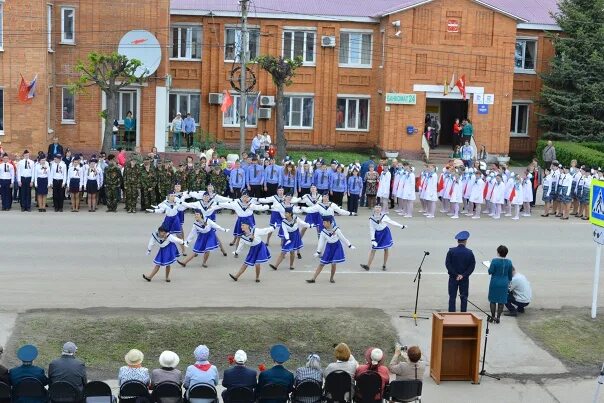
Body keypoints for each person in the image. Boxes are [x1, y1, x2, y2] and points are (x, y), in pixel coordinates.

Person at [306, 217, 355, 284]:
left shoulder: (336, 229)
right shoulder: (323, 232)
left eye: (324, 222)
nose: (323, 224)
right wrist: (318, 251)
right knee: (322, 263)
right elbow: (321, 242)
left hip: (337, 247)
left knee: (333, 263)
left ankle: (331, 278)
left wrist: (349, 245)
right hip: (329, 247)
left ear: (329, 222)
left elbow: (342, 238)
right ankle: (313, 278)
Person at [361, 204, 407, 271]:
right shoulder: (371, 218)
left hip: (385, 233)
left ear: (381, 209)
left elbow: (391, 222)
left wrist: (401, 226)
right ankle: (368, 266)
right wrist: (372, 239)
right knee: (373, 249)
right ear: (374, 208)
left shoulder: (384, 216)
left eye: (379, 207)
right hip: (377, 234)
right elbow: (372, 229)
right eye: (376, 207)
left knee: (386, 249)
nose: (377, 208)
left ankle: (384, 265)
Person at [445, 231, 476, 312]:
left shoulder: (451, 251)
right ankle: (463, 315)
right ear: (465, 241)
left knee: (452, 297)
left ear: (457, 241)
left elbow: (448, 265)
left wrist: (456, 275)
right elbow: (472, 266)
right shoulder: (469, 252)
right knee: (464, 298)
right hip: (464, 279)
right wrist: (463, 275)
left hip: (453, 278)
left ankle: (451, 314)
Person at [487, 245, 514, 323]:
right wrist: (509, 282)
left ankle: (493, 316)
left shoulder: (494, 261)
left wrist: (489, 267)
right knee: (501, 301)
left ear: (498, 252)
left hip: (495, 282)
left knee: (493, 300)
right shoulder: (509, 262)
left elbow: (490, 271)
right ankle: (498, 317)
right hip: (504, 283)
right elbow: (510, 274)